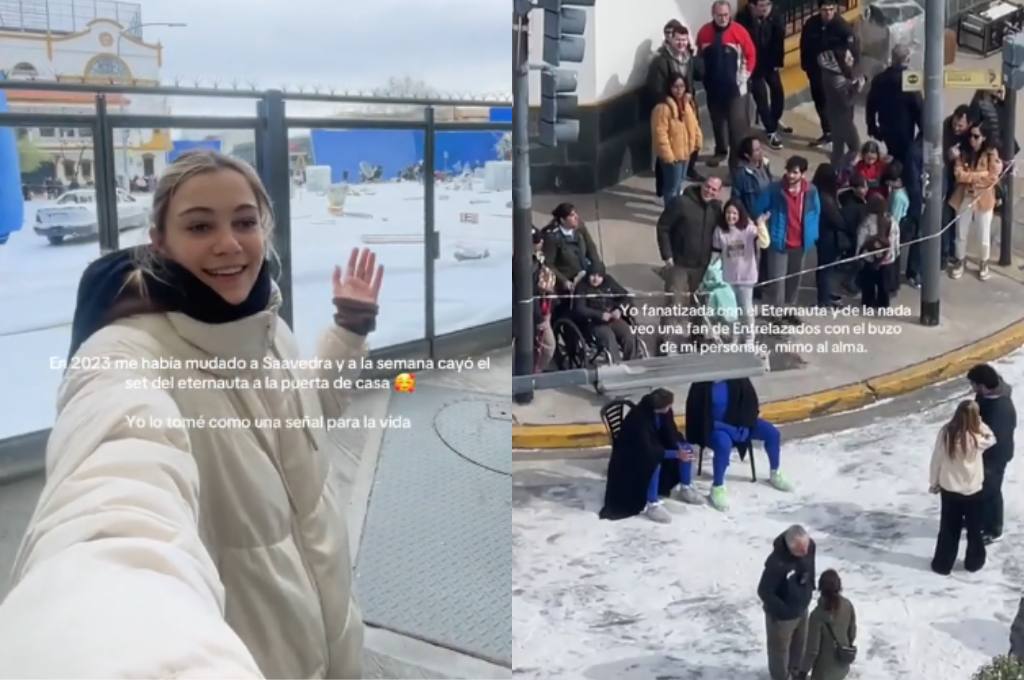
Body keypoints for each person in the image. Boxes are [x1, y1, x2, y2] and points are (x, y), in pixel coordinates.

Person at [0, 150, 379, 678]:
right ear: (159, 240)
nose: (228, 243)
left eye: (244, 222)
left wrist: (351, 330)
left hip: (328, 632)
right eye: (200, 226)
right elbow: (117, 491)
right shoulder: (127, 355)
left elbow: (310, 415)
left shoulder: (266, 326)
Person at [685, 378, 792, 511]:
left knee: (772, 433)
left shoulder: (738, 378)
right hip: (714, 428)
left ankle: (775, 472)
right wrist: (729, 429)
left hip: (739, 424)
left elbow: (751, 405)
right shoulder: (701, 386)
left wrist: (745, 426)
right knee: (723, 444)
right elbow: (699, 418)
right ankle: (717, 487)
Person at [599, 388, 701, 524]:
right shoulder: (639, 420)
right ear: (660, 408)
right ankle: (652, 504)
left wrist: (678, 445)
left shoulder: (663, 412)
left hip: (651, 443)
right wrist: (676, 454)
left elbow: (670, 430)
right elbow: (647, 451)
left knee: (685, 447)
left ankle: (685, 487)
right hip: (631, 453)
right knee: (654, 463)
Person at [929, 399, 994, 575]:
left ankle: (942, 564)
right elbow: (992, 438)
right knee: (974, 529)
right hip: (973, 490)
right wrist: (979, 423)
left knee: (948, 529)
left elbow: (937, 460)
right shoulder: (977, 438)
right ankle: (974, 563)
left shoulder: (946, 433)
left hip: (949, 488)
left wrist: (934, 482)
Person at [755, 155, 821, 322]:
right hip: (779, 242)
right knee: (777, 280)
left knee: (794, 278)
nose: (791, 176)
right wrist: (762, 220)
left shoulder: (811, 191)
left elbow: (816, 212)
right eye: (789, 172)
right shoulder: (775, 189)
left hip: (800, 242)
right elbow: (757, 208)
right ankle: (776, 314)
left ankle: (788, 309)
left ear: (803, 174)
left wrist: (812, 233)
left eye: (795, 172)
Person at [656, 177, 724, 339]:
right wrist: (667, 255)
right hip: (679, 264)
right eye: (707, 186)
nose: (709, 191)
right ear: (702, 185)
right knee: (674, 304)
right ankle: (665, 341)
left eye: (714, 189)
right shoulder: (681, 203)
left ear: (718, 192)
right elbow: (663, 227)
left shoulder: (716, 209)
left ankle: (696, 337)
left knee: (699, 304)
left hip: (702, 266)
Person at [696, 0, 757, 170]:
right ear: (713, 15)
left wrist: (742, 77)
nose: (723, 18)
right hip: (713, 89)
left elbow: (751, 55)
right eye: (719, 15)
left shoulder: (739, 32)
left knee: (737, 130)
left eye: (725, 15)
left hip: (736, 91)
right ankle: (720, 151)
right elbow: (700, 56)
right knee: (717, 123)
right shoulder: (704, 33)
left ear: (729, 14)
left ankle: (735, 167)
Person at [647, 20, 705, 188]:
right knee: (668, 151)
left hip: (687, 106)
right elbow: (655, 87)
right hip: (669, 109)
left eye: (684, 40)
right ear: (670, 40)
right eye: (678, 39)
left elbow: (699, 75)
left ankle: (687, 170)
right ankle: (665, 188)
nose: (681, 43)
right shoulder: (661, 61)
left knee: (689, 140)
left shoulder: (689, 58)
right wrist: (669, 102)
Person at [967, 363, 1018, 544]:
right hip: (984, 453)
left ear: (982, 386)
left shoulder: (1000, 408)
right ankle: (980, 518)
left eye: (973, 384)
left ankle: (994, 529)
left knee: (991, 491)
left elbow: (994, 438)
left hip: (994, 456)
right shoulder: (986, 394)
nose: (971, 388)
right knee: (980, 489)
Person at [758, 525, 817, 680]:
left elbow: (811, 566)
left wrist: (810, 587)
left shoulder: (810, 546)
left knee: (799, 645)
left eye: (806, 547)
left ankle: (796, 673)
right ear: (790, 547)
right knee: (780, 652)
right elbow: (764, 591)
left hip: (802, 608)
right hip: (782, 617)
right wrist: (783, 613)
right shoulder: (776, 563)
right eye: (800, 550)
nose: (805, 552)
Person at [799, 0, 857, 147]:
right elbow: (804, 46)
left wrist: (847, 70)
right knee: (820, 102)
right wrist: (807, 67)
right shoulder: (811, 25)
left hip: (837, 74)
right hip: (817, 72)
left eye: (831, 9)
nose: (828, 12)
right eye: (825, 9)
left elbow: (852, 48)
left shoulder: (842, 26)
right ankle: (828, 132)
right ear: (819, 10)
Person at [948, 122, 1001, 281]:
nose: (972, 139)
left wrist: (970, 176)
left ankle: (983, 262)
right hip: (965, 196)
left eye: (976, 136)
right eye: (970, 135)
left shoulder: (991, 153)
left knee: (983, 233)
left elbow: (993, 177)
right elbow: (959, 174)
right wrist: (980, 175)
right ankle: (960, 261)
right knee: (960, 232)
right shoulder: (963, 151)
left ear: (984, 137)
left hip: (983, 198)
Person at [714, 199, 769, 346]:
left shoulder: (748, 229)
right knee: (732, 312)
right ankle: (735, 337)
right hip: (728, 278)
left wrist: (761, 225)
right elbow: (717, 251)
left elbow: (764, 243)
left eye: (734, 213)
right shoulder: (720, 231)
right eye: (728, 213)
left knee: (746, 310)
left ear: (740, 214)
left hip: (746, 278)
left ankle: (749, 338)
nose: (730, 216)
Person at [736, 0, 790, 150]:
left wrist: (777, 62)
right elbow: (744, 42)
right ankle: (771, 131)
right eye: (762, 6)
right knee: (761, 97)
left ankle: (772, 120)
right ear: (752, 6)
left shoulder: (774, 14)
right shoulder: (744, 18)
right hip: (753, 64)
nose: (766, 9)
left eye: (768, 5)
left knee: (778, 92)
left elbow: (779, 39)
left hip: (770, 61)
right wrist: (756, 20)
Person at [865, 44, 923, 170]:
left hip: (886, 128)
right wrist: (923, 132)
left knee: (892, 155)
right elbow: (919, 108)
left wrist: (872, 126)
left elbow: (870, 104)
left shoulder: (879, 79)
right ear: (907, 60)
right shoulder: (910, 82)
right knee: (905, 160)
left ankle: (891, 178)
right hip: (904, 131)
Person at [796, 570, 857, 680]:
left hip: (823, 672)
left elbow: (813, 651)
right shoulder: (847, 605)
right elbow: (852, 633)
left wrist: (803, 672)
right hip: (842, 665)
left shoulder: (817, 615)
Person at [652, 73, 703, 204]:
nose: (679, 90)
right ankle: (671, 216)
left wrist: (697, 141)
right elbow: (660, 134)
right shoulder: (662, 108)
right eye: (675, 87)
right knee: (671, 188)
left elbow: (694, 124)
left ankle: (676, 211)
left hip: (685, 153)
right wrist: (668, 156)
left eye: (682, 86)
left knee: (680, 184)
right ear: (669, 88)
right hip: (672, 156)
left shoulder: (687, 104)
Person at [572, 262, 638, 363]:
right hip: (594, 322)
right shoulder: (582, 287)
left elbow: (625, 296)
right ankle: (617, 365)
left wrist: (619, 309)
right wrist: (599, 315)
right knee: (609, 338)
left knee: (628, 334)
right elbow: (580, 309)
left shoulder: (608, 281)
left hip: (612, 318)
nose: (596, 279)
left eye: (599, 276)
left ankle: (631, 362)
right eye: (593, 275)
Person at [732, 136, 774, 293]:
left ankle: (763, 283)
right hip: (752, 219)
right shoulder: (742, 174)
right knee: (752, 255)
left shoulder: (764, 166)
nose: (760, 151)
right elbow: (736, 199)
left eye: (760, 147)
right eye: (756, 150)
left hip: (767, 217)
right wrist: (747, 219)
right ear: (747, 155)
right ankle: (752, 286)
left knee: (767, 251)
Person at [818, 46, 865, 170]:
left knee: (838, 147)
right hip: (842, 117)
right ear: (840, 61)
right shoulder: (837, 80)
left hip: (834, 114)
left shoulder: (832, 72)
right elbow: (847, 101)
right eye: (848, 58)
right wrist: (857, 89)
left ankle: (835, 170)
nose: (852, 59)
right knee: (855, 147)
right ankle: (842, 169)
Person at [542, 202, 603, 292]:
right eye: (572, 215)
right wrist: (564, 281)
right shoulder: (552, 237)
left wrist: (596, 269)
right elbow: (549, 264)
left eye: (576, 214)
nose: (576, 217)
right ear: (562, 220)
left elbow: (591, 248)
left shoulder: (580, 228)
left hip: (585, 275)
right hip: (568, 280)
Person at [856, 193, 898, 309]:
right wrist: (895, 252)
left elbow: (861, 239)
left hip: (870, 258)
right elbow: (895, 239)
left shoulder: (866, 222)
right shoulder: (891, 221)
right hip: (887, 258)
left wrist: (858, 254)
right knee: (884, 284)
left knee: (868, 282)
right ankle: (883, 303)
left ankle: (868, 302)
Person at [811, 164, 845, 308]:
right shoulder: (824, 197)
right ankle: (823, 299)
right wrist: (846, 225)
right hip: (827, 235)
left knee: (826, 267)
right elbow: (836, 219)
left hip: (822, 234)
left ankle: (826, 293)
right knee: (825, 268)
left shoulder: (818, 192)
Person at [942, 105, 972, 265]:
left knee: (960, 219)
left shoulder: (970, 134)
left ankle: (956, 251)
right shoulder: (946, 127)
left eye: (960, 125)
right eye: (955, 123)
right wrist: (948, 155)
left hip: (963, 181)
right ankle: (947, 252)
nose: (956, 128)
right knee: (947, 215)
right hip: (949, 176)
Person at [884, 161, 915, 287]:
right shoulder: (903, 191)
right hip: (901, 226)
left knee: (893, 256)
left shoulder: (897, 197)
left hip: (896, 228)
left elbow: (894, 217)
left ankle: (892, 283)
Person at [532, 236, 557, 372]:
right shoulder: (523, 263)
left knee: (548, 346)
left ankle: (537, 371)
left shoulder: (541, 261)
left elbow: (549, 294)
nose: (540, 242)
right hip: (528, 314)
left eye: (541, 239)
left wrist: (547, 316)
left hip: (543, 311)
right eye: (536, 240)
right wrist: (540, 319)